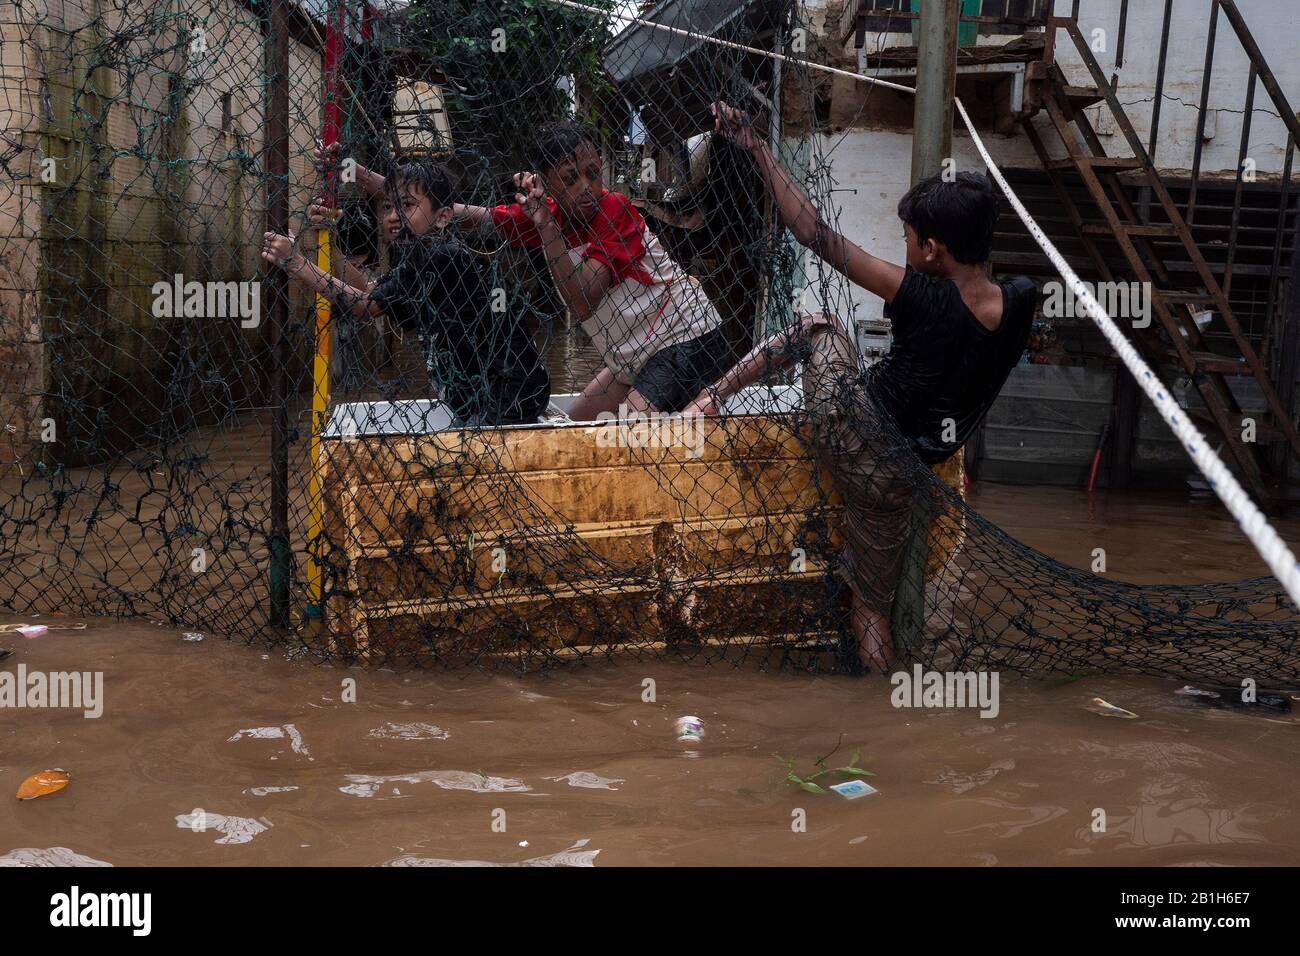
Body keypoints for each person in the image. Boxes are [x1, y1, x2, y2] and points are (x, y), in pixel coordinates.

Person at [691, 103, 1037, 672]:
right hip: (903, 475)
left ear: (931, 250)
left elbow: (812, 233)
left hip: (851, 431)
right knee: (872, 608)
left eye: (907, 239)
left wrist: (755, 146)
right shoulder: (1021, 299)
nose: (903, 248)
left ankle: (711, 396)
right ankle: (886, 710)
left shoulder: (921, 298)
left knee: (817, 328)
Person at [321, 123, 735, 420]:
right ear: (548, 184)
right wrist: (359, 176)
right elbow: (449, 212)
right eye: (570, 179)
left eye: (593, 173)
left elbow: (582, 301)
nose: (587, 187)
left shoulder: (614, 210)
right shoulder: (547, 214)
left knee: (626, 430)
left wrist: (545, 226)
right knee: (573, 423)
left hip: (687, 338)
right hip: (635, 356)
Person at [262, 160, 550, 426]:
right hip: (480, 396)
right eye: (387, 206)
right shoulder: (416, 256)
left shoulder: (442, 257)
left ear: (443, 217)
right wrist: (330, 242)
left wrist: (297, 263)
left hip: (511, 393)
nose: (392, 216)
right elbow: (368, 290)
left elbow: (365, 306)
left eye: (408, 205)